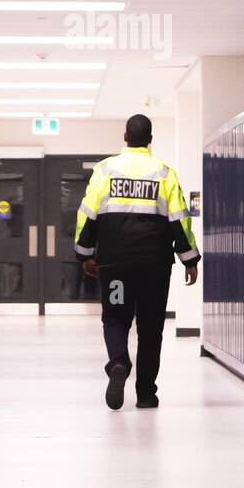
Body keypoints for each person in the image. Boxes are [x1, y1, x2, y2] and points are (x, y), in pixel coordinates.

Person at [73, 114, 199, 410]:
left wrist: (85, 254)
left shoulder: (105, 170)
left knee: (116, 316)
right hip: (153, 268)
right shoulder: (163, 172)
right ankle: (145, 393)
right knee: (151, 326)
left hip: (115, 266)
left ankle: (118, 362)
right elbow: (179, 220)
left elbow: (87, 215)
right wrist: (189, 259)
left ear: (125, 137)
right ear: (150, 140)